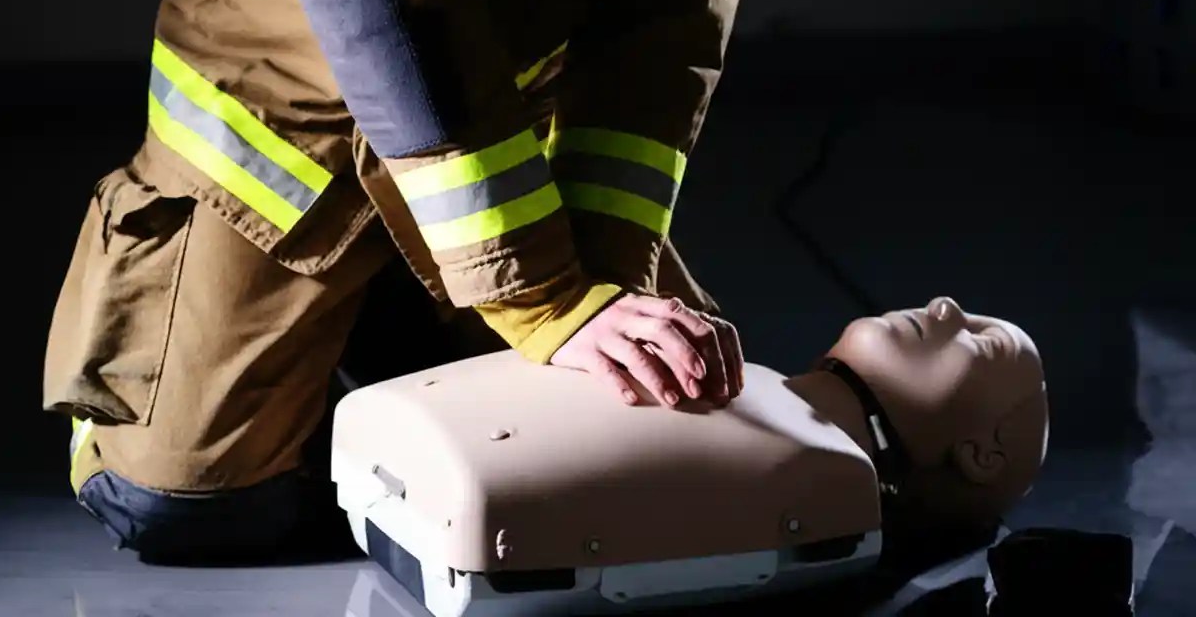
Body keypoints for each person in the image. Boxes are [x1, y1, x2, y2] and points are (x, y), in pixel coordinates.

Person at [43, 0, 756, 560]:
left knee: (653, 433)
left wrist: (606, 280)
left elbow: (663, 39)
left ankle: (377, 323)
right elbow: (384, 1)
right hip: (278, 128)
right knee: (180, 504)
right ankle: (181, 381)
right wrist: (547, 299)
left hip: (490, 130)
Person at [326, 297, 1050, 615]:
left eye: (982, 342)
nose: (946, 306)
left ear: (982, 456)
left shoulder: (821, 475)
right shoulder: (751, 381)